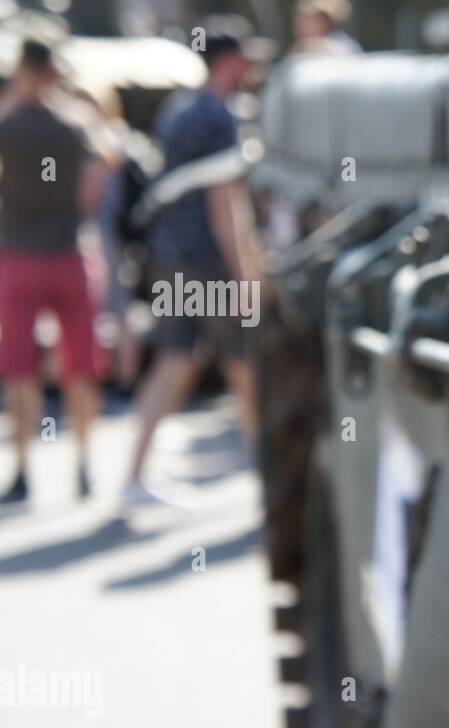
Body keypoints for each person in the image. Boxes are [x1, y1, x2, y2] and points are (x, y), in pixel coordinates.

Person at [123, 30, 261, 506]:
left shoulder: (177, 110)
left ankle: (133, 476)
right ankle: (267, 475)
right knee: (243, 363)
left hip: (168, 255)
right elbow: (224, 201)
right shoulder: (219, 115)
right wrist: (246, 274)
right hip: (207, 261)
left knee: (175, 359)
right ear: (232, 59)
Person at [0, 39, 109, 504]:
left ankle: (22, 469)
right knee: (79, 366)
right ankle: (83, 464)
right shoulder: (75, 123)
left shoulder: (9, 123)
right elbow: (104, 167)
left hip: (19, 257)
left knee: (21, 368)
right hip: (69, 254)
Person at [292, 0, 362, 55]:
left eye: (306, 20)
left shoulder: (343, 46)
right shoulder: (300, 48)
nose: (300, 25)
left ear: (325, 21)